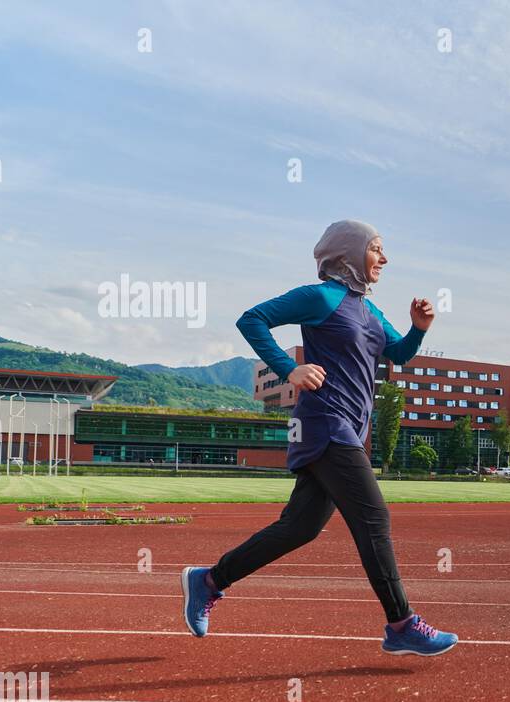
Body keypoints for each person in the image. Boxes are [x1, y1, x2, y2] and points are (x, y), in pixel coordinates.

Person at [181, 220, 457, 656]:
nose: (384, 259)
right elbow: (252, 320)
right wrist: (288, 369)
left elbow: (397, 354)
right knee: (374, 519)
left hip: (347, 428)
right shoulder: (320, 296)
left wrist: (419, 328)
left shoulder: (368, 310)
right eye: (377, 250)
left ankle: (209, 580)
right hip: (325, 423)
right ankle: (401, 623)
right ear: (348, 253)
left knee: (300, 528)